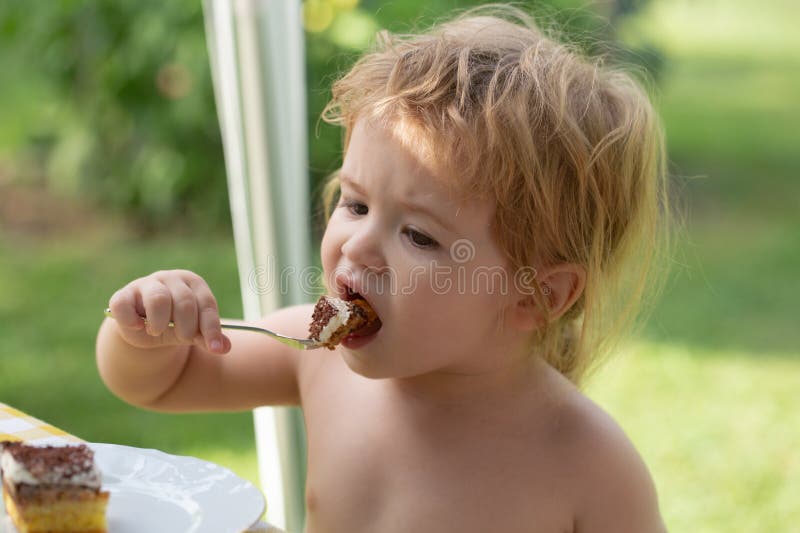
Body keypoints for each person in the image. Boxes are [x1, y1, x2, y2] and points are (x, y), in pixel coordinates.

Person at [96, 5, 670, 532]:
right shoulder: (316, 357)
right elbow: (161, 384)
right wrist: (146, 331)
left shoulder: (588, 465)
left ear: (535, 296)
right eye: (356, 204)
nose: (359, 246)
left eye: (419, 235)